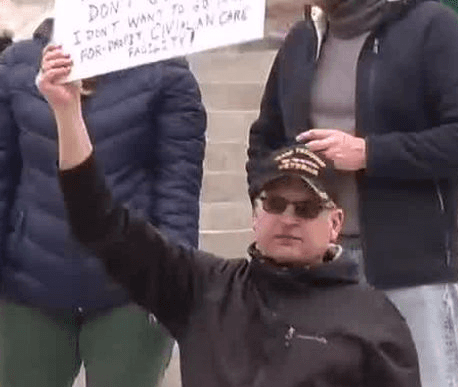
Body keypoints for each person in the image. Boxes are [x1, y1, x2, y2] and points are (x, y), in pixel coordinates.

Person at [37, 42, 421, 386]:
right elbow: (98, 220)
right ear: (256, 215)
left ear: (335, 223)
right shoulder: (204, 287)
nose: (288, 217)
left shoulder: (374, 321)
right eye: (274, 204)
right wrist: (67, 112)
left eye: (306, 208)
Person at [246, 0, 458, 386]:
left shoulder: (435, 29)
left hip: (409, 272)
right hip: (315, 270)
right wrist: (277, 200)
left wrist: (369, 153)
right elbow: (265, 139)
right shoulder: (303, 40)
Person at [0, 18, 206, 387]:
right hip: (29, 285)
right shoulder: (16, 67)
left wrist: (172, 282)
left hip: (130, 293)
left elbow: (178, 190)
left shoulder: (167, 74)